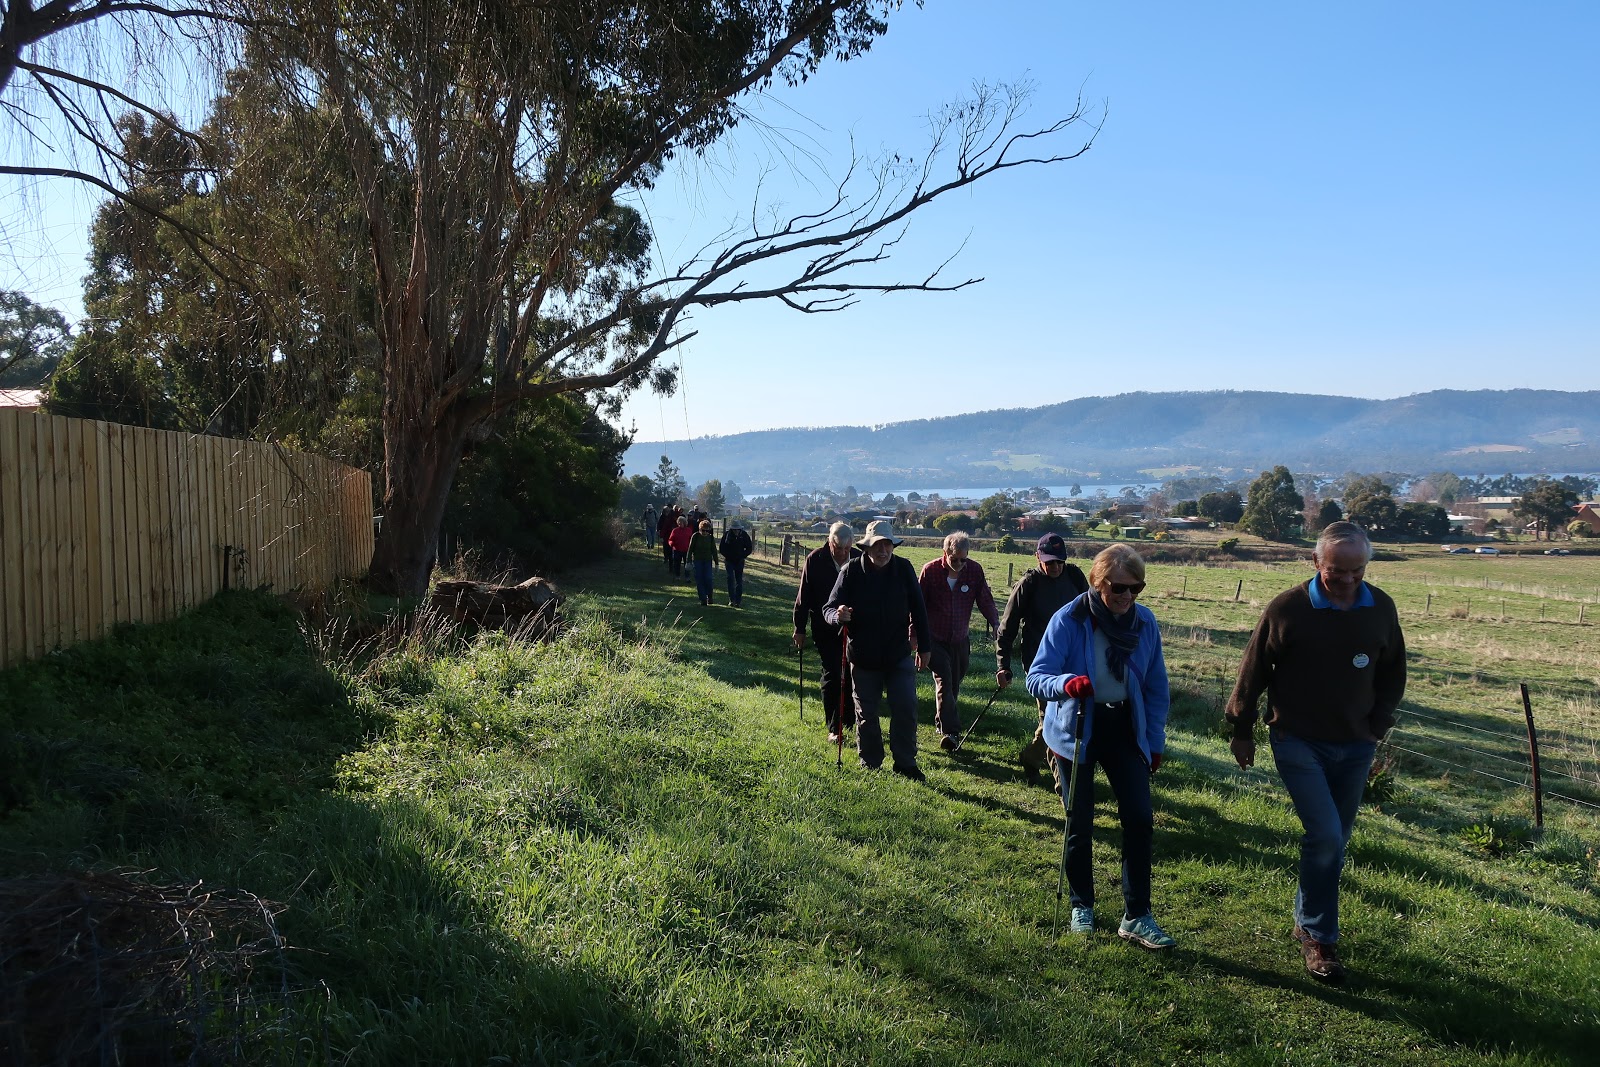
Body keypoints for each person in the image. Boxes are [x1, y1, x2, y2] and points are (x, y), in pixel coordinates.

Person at [1226, 520, 1405, 983]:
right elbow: (1252, 671)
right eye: (1336, 571)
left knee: (1334, 842)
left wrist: (1377, 726)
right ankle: (1320, 938)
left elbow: (1393, 673)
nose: (1347, 581)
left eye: (1356, 571)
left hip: (1356, 745)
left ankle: (1306, 921)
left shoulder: (1380, 608)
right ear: (1315, 562)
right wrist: (1241, 729)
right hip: (1297, 739)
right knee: (1325, 836)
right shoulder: (1288, 608)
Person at [1026, 543, 1175, 950]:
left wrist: (1155, 740)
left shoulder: (1144, 622)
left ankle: (1137, 915)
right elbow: (1037, 677)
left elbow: (1156, 687)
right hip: (1076, 727)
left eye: (1135, 589)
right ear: (1098, 582)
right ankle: (1082, 905)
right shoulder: (1069, 619)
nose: (1127, 598)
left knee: (1140, 820)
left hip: (1126, 727)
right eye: (1119, 588)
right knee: (1081, 822)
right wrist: (1066, 684)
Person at [824, 520, 932, 780]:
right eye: (877, 545)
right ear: (867, 547)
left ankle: (905, 763)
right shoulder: (850, 571)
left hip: (898, 654)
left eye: (887, 545)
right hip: (862, 656)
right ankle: (870, 762)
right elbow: (829, 608)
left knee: (905, 707)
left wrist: (925, 647)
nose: (883, 551)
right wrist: (839, 616)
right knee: (866, 713)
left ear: (892, 546)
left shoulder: (904, 569)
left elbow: (919, 610)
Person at [997, 532, 1090, 782]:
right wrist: (1002, 665)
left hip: (1072, 662)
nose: (1055, 567)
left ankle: (1031, 756)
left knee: (1062, 720)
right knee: (1050, 719)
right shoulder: (1028, 584)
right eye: (1049, 562)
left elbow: (1092, 615)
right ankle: (1065, 785)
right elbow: (1007, 628)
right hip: (1041, 665)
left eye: (1059, 561)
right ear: (1038, 557)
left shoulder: (1075, 577)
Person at [918, 530, 999, 750]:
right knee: (944, 678)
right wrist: (914, 638)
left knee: (954, 682)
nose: (960, 564)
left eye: (964, 559)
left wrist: (995, 622)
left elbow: (985, 599)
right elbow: (917, 607)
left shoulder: (974, 571)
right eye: (955, 559)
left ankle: (940, 720)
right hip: (935, 638)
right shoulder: (930, 571)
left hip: (960, 639)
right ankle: (951, 733)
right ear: (945, 552)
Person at [793, 522, 859, 743]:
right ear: (830, 542)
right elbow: (803, 597)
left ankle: (848, 722)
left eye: (846, 549)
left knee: (850, 674)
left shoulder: (859, 559)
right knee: (832, 673)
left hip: (853, 627)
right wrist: (799, 629)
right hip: (823, 626)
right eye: (838, 548)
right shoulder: (815, 559)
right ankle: (834, 727)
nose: (842, 553)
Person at [719, 520, 755, 607]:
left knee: (739, 581)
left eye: (737, 529)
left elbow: (749, 548)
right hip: (729, 561)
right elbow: (722, 548)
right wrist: (728, 556)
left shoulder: (744, 535)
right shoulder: (727, 535)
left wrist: (742, 555)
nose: (736, 531)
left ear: (740, 529)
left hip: (739, 561)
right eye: (734, 529)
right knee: (730, 579)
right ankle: (731, 599)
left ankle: (738, 601)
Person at [688, 518, 719, 605]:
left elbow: (714, 551)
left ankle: (710, 596)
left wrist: (716, 563)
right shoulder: (695, 536)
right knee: (699, 579)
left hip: (707, 561)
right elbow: (690, 550)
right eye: (703, 530)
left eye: (706, 530)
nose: (704, 532)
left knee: (708, 578)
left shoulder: (710, 538)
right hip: (697, 561)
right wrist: (688, 561)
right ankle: (703, 599)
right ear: (699, 529)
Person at [667, 514, 693, 579]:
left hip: (686, 550)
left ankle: (687, 577)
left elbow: (691, 540)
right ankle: (677, 575)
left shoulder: (689, 530)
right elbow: (670, 539)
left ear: (684, 523)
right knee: (677, 564)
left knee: (686, 564)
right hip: (677, 549)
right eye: (678, 522)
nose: (679, 523)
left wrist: (692, 547)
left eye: (681, 522)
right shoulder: (675, 530)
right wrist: (671, 544)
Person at [657, 506, 679, 570]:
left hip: (672, 535)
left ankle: (671, 563)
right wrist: (659, 530)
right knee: (666, 547)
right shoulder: (663, 516)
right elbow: (660, 524)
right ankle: (667, 558)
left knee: (671, 549)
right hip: (666, 535)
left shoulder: (672, 516)